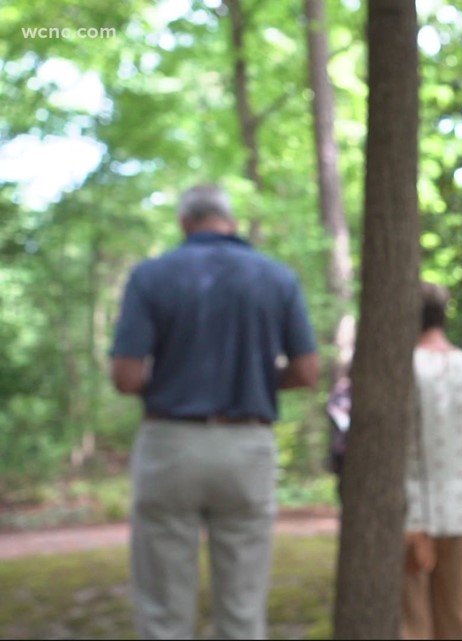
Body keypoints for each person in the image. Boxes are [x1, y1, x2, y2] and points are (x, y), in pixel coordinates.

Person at [108, 184, 320, 640]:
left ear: (185, 224)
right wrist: (258, 382)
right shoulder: (277, 278)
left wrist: (169, 381)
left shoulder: (151, 276)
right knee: (242, 612)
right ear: (231, 223)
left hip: (171, 446)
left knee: (164, 614)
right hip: (247, 447)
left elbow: (125, 376)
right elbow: (307, 370)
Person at [402, 281, 462, 640]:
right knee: (458, 623)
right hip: (460, 510)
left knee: (411, 627)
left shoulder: (400, 369)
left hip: (408, 512)